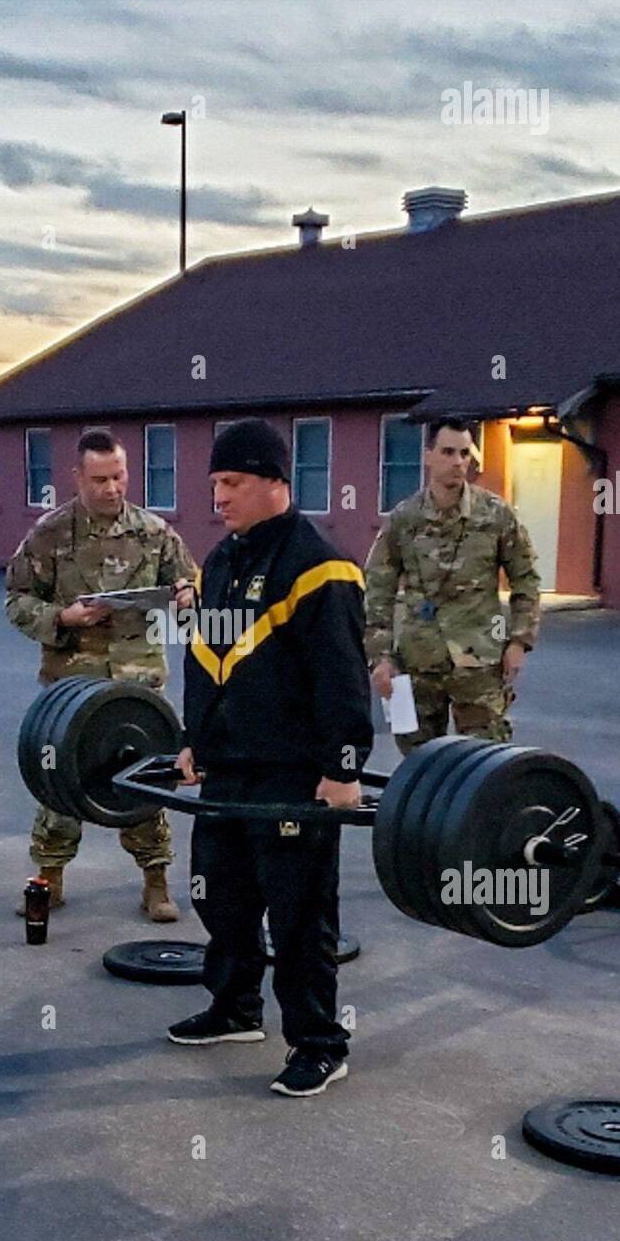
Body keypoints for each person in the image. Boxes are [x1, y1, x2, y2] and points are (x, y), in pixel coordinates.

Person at [170, 418, 373, 1097]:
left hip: (292, 773)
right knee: (219, 898)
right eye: (214, 485)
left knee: (297, 914)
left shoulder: (320, 566)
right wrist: (195, 738)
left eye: (231, 483)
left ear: (273, 481)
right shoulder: (223, 559)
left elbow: (342, 678)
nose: (218, 498)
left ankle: (319, 1042)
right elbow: (205, 660)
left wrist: (342, 769)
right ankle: (234, 1008)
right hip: (228, 768)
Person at [6, 427, 197, 922]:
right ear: (77, 477)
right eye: (99, 479)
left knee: (147, 784)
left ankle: (155, 884)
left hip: (137, 688)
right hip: (72, 688)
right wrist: (62, 620)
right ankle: (49, 878)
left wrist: (185, 597)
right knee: (59, 784)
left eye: (119, 476)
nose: (112, 488)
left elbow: (190, 588)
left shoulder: (155, 534)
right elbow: (17, 601)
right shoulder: (50, 534)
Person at [365, 417, 541, 753]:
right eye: (447, 452)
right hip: (417, 664)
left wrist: (519, 641)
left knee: (485, 763)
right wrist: (381, 658)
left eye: (464, 453)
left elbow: (526, 578)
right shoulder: (404, 519)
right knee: (418, 766)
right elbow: (378, 590)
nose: (458, 462)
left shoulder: (495, 515)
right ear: (428, 456)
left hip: (479, 664)